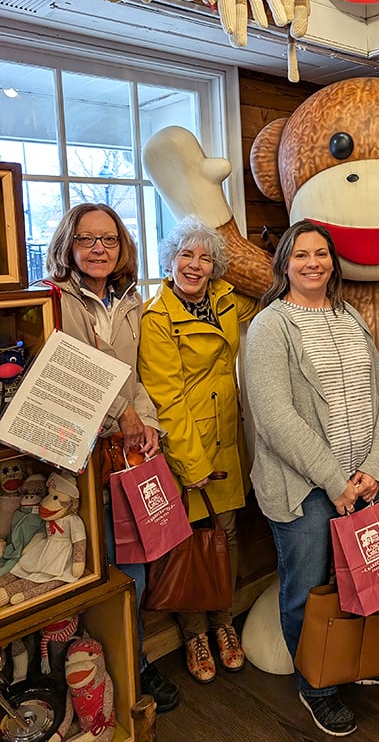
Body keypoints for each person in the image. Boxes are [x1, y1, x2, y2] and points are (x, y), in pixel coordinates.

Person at [245, 219, 379, 738]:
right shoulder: (271, 326)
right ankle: (317, 685)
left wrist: (375, 466)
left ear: (333, 261)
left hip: (368, 478)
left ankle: (376, 661)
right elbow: (275, 416)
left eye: (321, 254)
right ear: (285, 264)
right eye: (300, 255)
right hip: (305, 486)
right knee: (307, 586)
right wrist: (332, 479)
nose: (312, 263)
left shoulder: (350, 316)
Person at [44, 203, 179, 712]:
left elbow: (132, 375)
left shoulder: (129, 301)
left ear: (121, 246)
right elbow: (71, 373)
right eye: (87, 239)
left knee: (134, 564)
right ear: (69, 245)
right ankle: (80, 679)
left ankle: (134, 664)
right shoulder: (55, 298)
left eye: (109, 240)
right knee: (85, 567)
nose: (98, 248)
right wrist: (124, 416)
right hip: (77, 455)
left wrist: (148, 428)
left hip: (125, 454)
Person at [138, 216, 258, 684]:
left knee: (224, 537)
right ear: (169, 261)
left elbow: (270, 289)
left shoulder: (227, 302)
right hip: (185, 446)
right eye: (186, 255)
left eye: (205, 257)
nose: (195, 264)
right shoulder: (157, 318)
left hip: (227, 436)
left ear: (214, 267)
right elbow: (165, 398)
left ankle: (222, 622)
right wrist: (192, 465)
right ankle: (193, 633)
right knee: (186, 543)